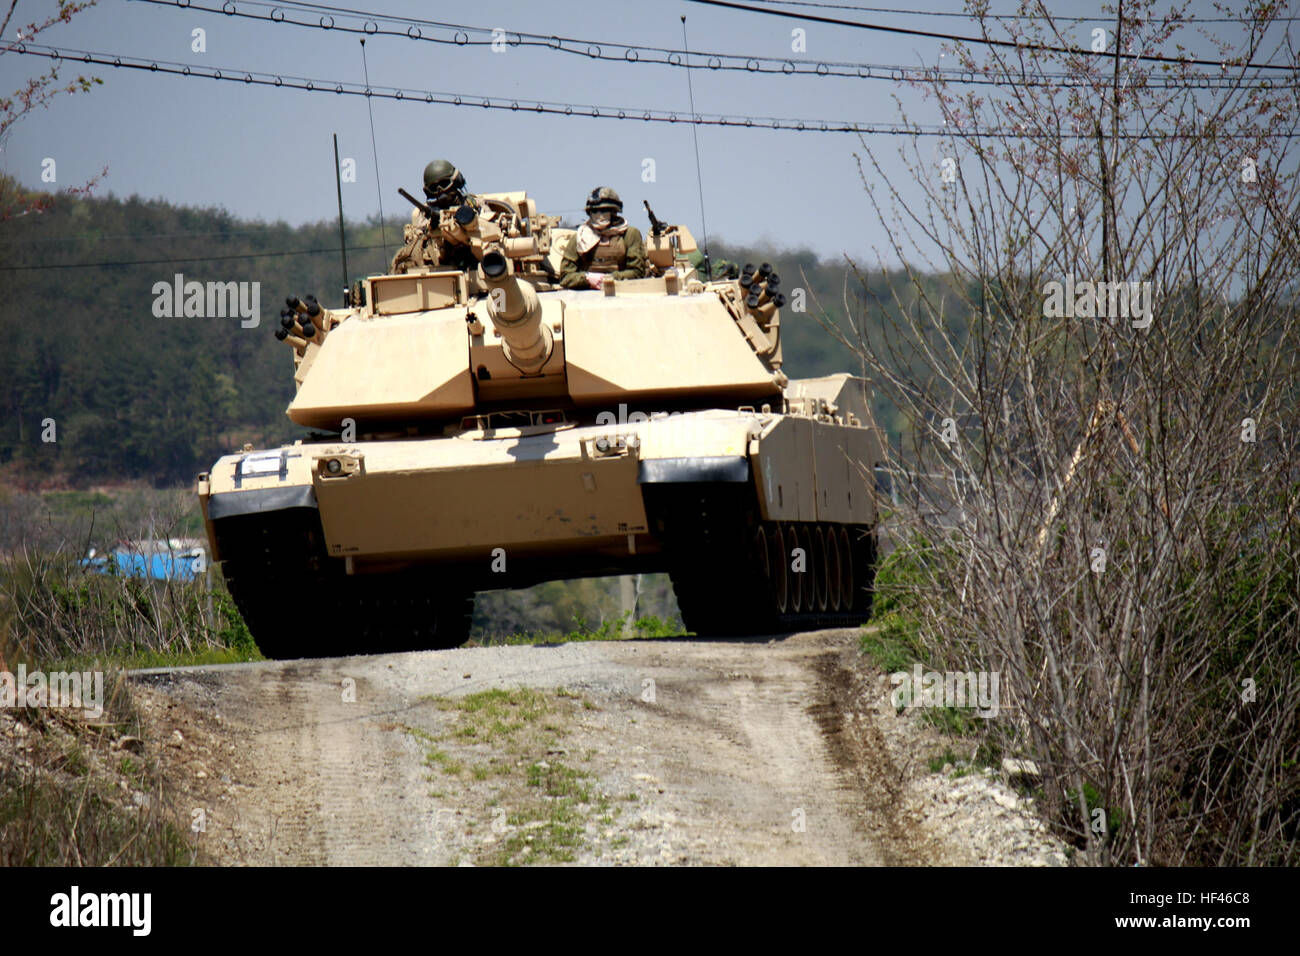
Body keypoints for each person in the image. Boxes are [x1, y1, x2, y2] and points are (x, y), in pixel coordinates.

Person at [389, 159, 480, 274]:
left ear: (456, 181)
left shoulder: (474, 205)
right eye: (434, 188)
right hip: (440, 267)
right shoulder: (425, 215)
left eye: (444, 184)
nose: (440, 191)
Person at [558, 187, 646, 289]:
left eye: (604, 210)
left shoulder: (629, 235)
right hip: (585, 296)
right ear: (589, 213)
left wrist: (609, 278)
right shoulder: (580, 238)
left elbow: (637, 272)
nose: (599, 215)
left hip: (622, 292)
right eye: (594, 211)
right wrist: (587, 278)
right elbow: (565, 277)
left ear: (613, 211)